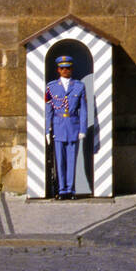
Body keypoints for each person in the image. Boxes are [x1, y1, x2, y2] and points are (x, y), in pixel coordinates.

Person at [45, 55, 88, 199]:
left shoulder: (79, 86)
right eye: (62, 68)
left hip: (73, 127)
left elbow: (83, 110)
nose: (65, 71)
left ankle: (70, 190)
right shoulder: (51, 87)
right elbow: (48, 110)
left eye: (68, 68)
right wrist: (47, 129)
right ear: (58, 70)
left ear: (71, 69)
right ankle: (61, 189)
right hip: (58, 127)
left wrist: (83, 129)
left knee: (71, 161)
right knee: (59, 160)